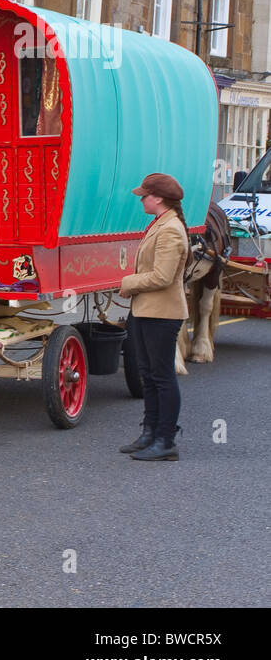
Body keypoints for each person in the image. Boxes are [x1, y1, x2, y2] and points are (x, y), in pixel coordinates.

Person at [118, 173, 189, 461]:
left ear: (157, 198)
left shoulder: (170, 229)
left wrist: (128, 282)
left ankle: (166, 440)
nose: (141, 199)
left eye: (144, 195)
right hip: (146, 311)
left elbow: (162, 277)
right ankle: (150, 433)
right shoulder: (161, 224)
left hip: (162, 314)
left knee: (162, 376)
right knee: (148, 375)